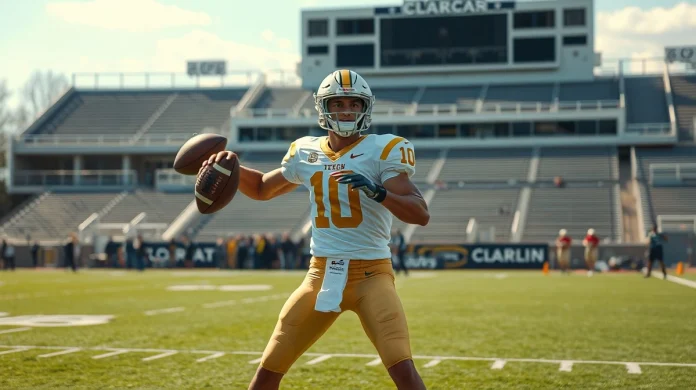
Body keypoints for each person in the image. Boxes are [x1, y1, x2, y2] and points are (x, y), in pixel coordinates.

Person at [201, 69, 430, 390]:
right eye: (338, 103)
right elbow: (264, 188)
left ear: (366, 108)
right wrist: (227, 166)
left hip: (372, 277)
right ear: (324, 108)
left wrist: (378, 191)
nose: (347, 110)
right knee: (267, 372)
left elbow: (420, 213)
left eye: (353, 103)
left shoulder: (384, 149)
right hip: (320, 276)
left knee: (403, 370)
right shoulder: (306, 151)